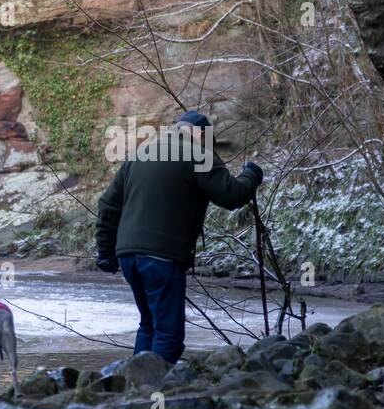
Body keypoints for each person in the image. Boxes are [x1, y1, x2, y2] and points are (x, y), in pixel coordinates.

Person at [94, 110, 264, 364]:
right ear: (200, 134)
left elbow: (108, 205)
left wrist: (106, 252)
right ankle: (153, 392)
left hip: (128, 255)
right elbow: (232, 195)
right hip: (161, 258)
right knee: (168, 335)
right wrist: (252, 174)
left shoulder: (140, 154)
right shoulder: (198, 155)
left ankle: (133, 388)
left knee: (149, 325)